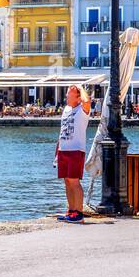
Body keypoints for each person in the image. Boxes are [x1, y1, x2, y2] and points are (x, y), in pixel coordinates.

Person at [55, 85, 91, 224]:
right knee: (67, 181)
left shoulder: (82, 111)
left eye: (69, 95)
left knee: (74, 181)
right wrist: (57, 151)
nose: (66, 97)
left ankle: (79, 212)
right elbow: (62, 131)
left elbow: (87, 102)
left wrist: (80, 88)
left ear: (77, 97)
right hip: (63, 150)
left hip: (76, 150)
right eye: (67, 95)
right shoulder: (66, 110)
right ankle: (71, 210)